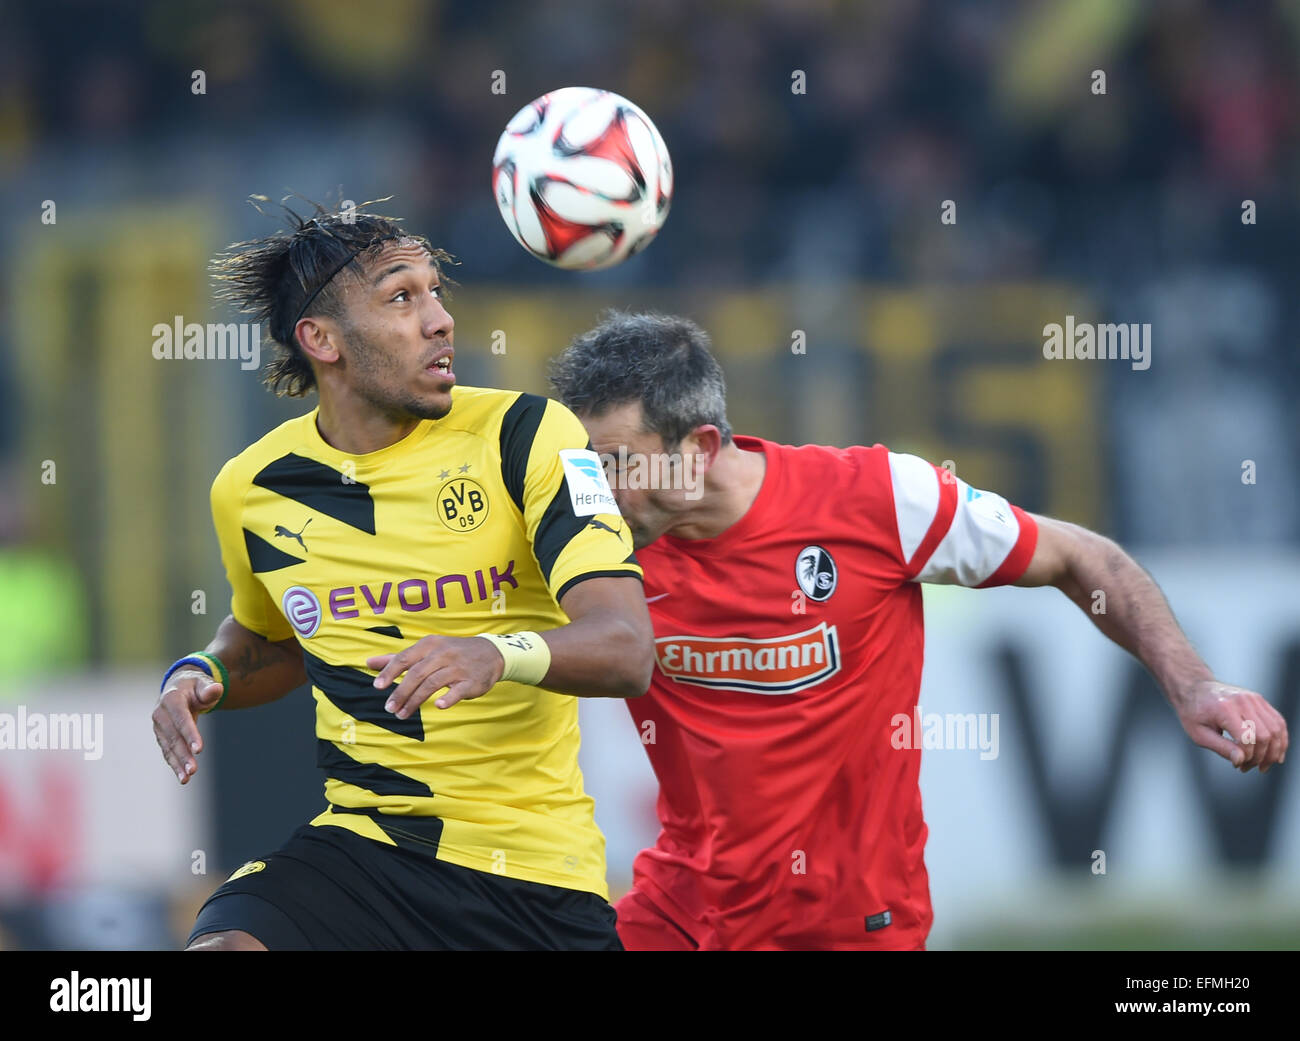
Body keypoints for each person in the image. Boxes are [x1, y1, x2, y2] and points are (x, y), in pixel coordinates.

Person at [548, 310, 1289, 952]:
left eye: (617, 463)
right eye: (585, 463)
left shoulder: (878, 500)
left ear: (700, 448)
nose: (596, 489)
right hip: (681, 912)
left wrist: (1196, 684)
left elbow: (1080, 555)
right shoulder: (596, 547)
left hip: (851, 926)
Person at [151, 205, 653, 951]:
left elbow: (626, 647)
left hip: (535, 880)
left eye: (436, 291)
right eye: (401, 297)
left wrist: (495, 651)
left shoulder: (527, 436)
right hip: (365, 853)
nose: (441, 319)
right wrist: (203, 671)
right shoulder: (252, 487)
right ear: (322, 341)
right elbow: (275, 639)